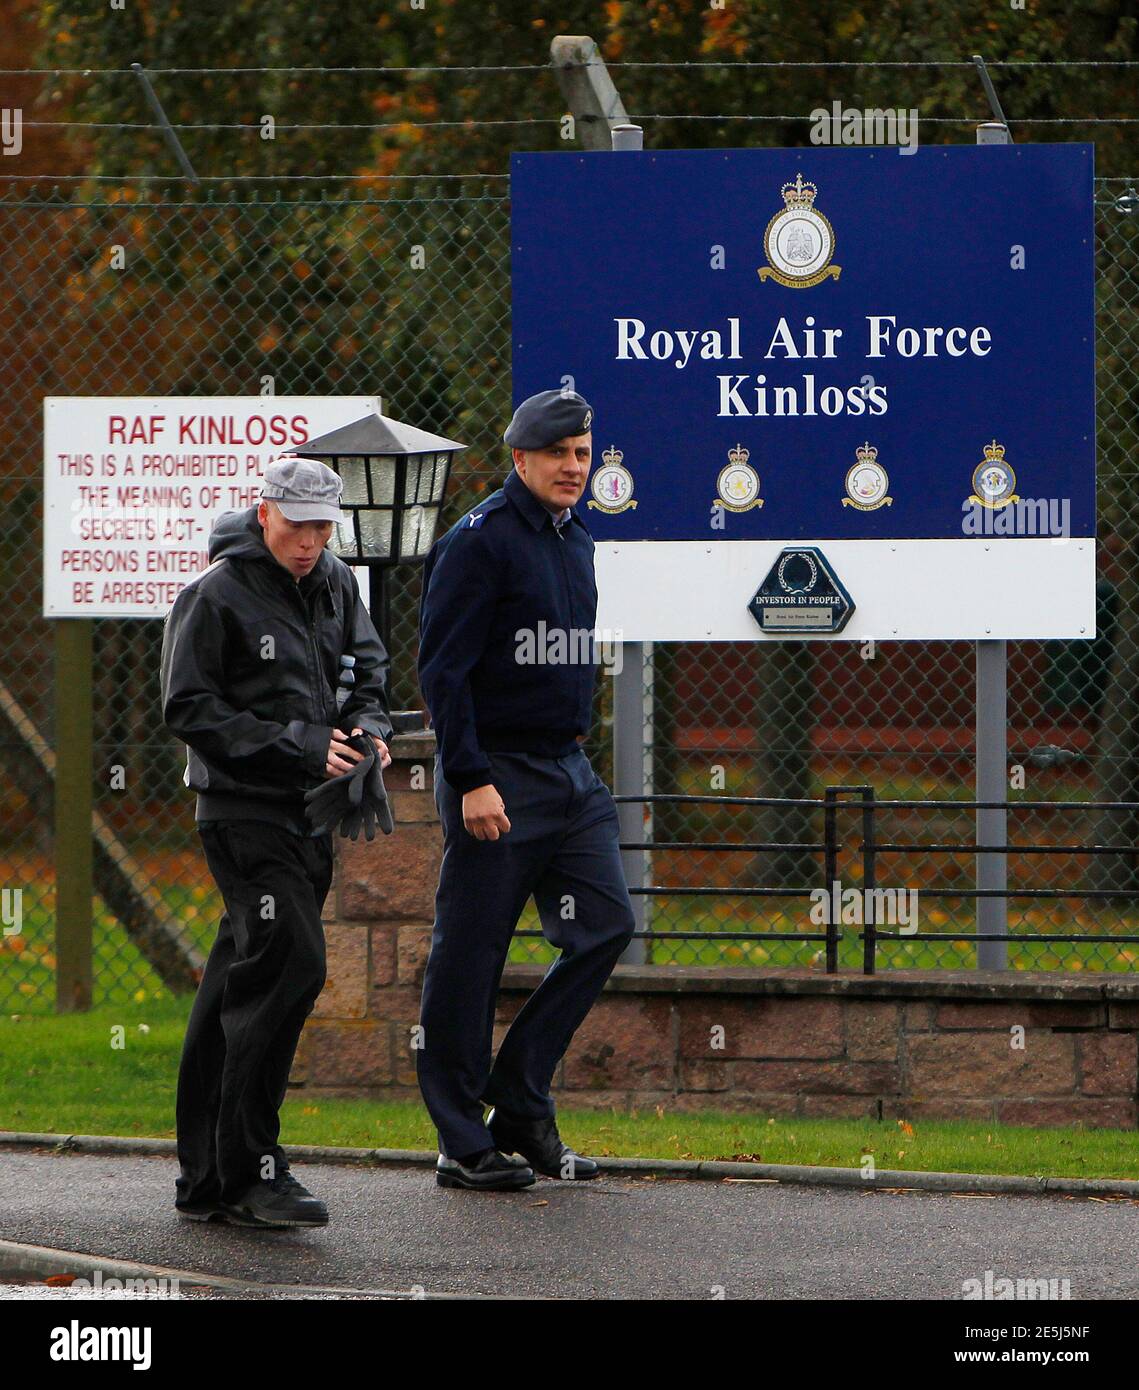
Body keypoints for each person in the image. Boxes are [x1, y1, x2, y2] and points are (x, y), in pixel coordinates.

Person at [159, 457, 393, 1228]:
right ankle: (255, 1170)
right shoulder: (214, 594)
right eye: (297, 525)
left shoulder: (337, 583)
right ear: (265, 514)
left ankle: (206, 1178)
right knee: (293, 964)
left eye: (323, 527)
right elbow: (189, 708)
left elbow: (368, 670)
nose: (310, 541)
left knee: (238, 982)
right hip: (242, 813)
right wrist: (300, 743)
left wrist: (368, 731)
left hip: (312, 812)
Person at [416, 389, 636, 1191]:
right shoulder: (479, 541)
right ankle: (459, 1140)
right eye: (559, 454)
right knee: (470, 957)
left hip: (568, 774)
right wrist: (469, 777)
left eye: (583, 454)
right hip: (495, 774)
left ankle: (518, 1100)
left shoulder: (574, 538)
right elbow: (443, 671)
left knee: (607, 925)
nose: (574, 468)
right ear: (520, 458)